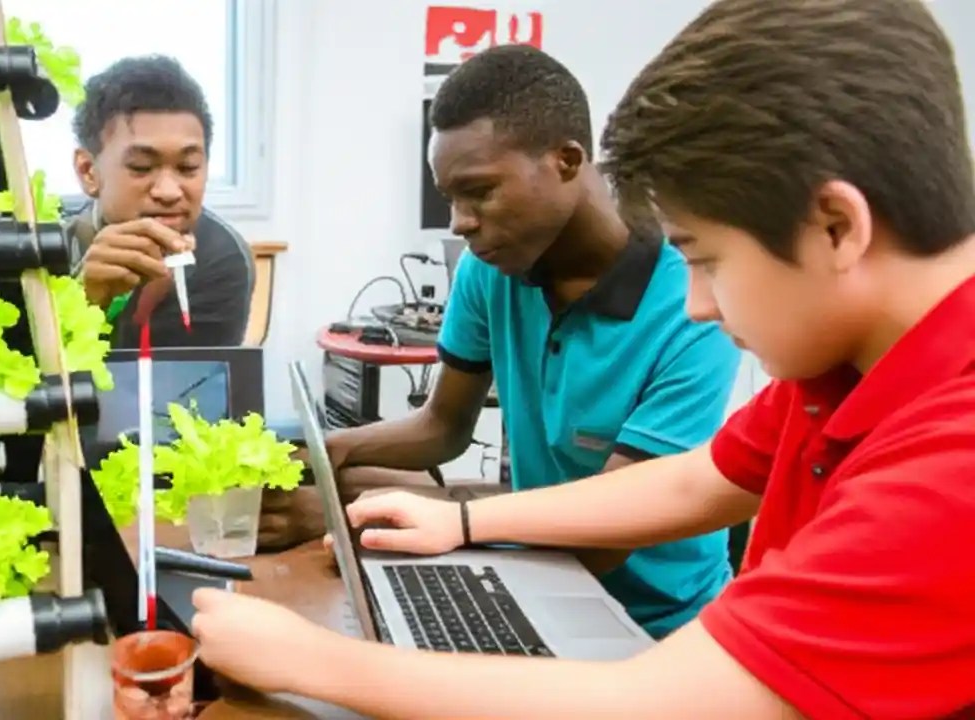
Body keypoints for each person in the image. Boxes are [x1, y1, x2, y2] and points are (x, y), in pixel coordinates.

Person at [189, 0, 975, 716]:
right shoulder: (840, 375)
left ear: (837, 226)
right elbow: (693, 481)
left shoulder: (948, 470)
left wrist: (312, 660)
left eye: (706, 259)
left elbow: (649, 704)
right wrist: (460, 521)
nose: (698, 303)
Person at [261, 45, 741, 639]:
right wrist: (331, 456)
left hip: (655, 623)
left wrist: (365, 524)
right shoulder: (491, 269)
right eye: (449, 199)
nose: (459, 221)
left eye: (479, 191)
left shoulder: (690, 301)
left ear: (567, 161)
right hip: (533, 572)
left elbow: (612, 531)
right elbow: (443, 426)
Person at [68, 54, 254, 348]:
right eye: (141, 167)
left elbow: (183, 384)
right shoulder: (46, 245)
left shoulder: (221, 258)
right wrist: (84, 299)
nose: (169, 191)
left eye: (188, 167)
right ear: (88, 171)